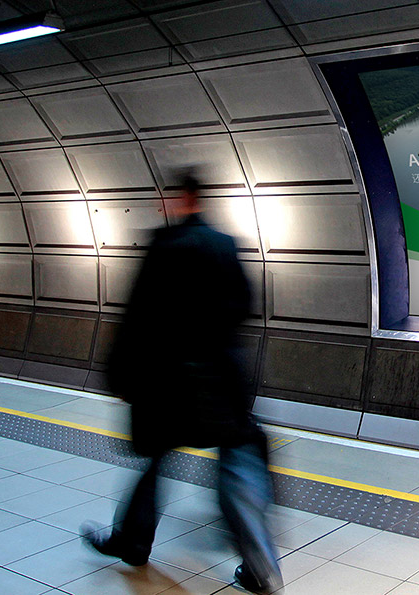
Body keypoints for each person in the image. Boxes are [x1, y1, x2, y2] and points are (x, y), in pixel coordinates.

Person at [82, 171, 282, 593]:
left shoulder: (164, 246)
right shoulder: (225, 244)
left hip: (170, 379)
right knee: (236, 466)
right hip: (221, 378)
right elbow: (244, 306)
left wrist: (118, 374)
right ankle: (259, 566)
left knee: (156, 460)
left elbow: (137, 317)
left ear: (182, 198)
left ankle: (133, 542)